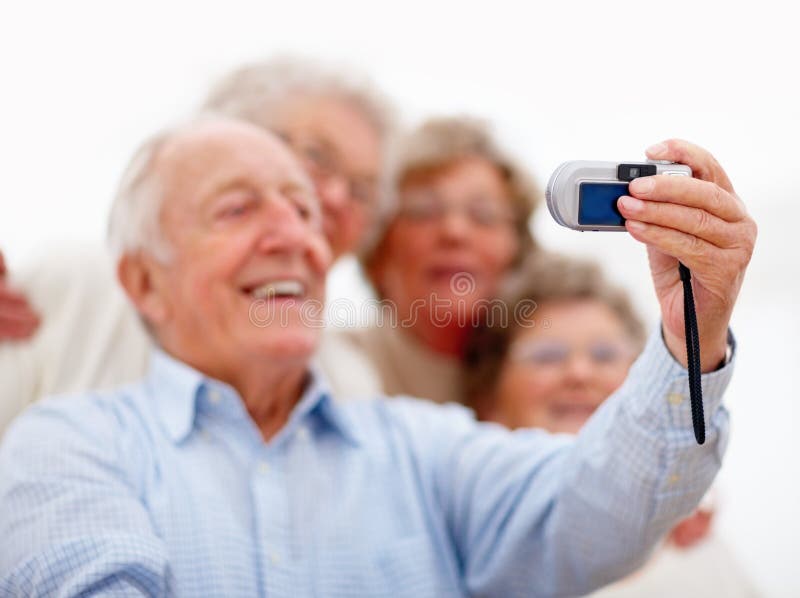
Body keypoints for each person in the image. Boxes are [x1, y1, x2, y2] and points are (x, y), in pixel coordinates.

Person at [0, 117, 755, 596]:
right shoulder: (67, 444)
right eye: (237, 208)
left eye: (303, 210)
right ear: (141, 280)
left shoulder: (426, 447)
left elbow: (600, 507)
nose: (295, 234)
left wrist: (693, 341)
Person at [0, 56, 393, 436]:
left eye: (362, 190)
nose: (337, 197)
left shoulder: (350, 385)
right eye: (316, 155)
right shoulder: (70, 286)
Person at [463, 253, 760, 597]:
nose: (579, 373)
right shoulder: (470, 546)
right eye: (547, 356)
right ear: (487, 393)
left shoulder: (697, 549)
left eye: (604, 355)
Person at [325, 116, 541, 403]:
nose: (454, 232)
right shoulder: (327, 372)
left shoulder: (551, 374)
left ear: (517, 251)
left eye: (484, 215)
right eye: (423, 211)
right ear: (377, 249)